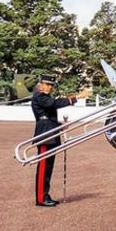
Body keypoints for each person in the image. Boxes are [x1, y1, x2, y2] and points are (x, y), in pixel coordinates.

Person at [30, 75, 85, 206]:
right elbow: (53, 104)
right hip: (44, 135)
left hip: (50, 133)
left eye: (52, 85)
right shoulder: (39, 96)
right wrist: (77, 97)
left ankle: (45, 194)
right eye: (47, 84)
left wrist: (60, 126)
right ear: (41, 84)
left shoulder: (46, 97)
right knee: (43, 167)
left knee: (48, 167)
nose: (50, 87)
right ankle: (41, 198)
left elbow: (49, 117)